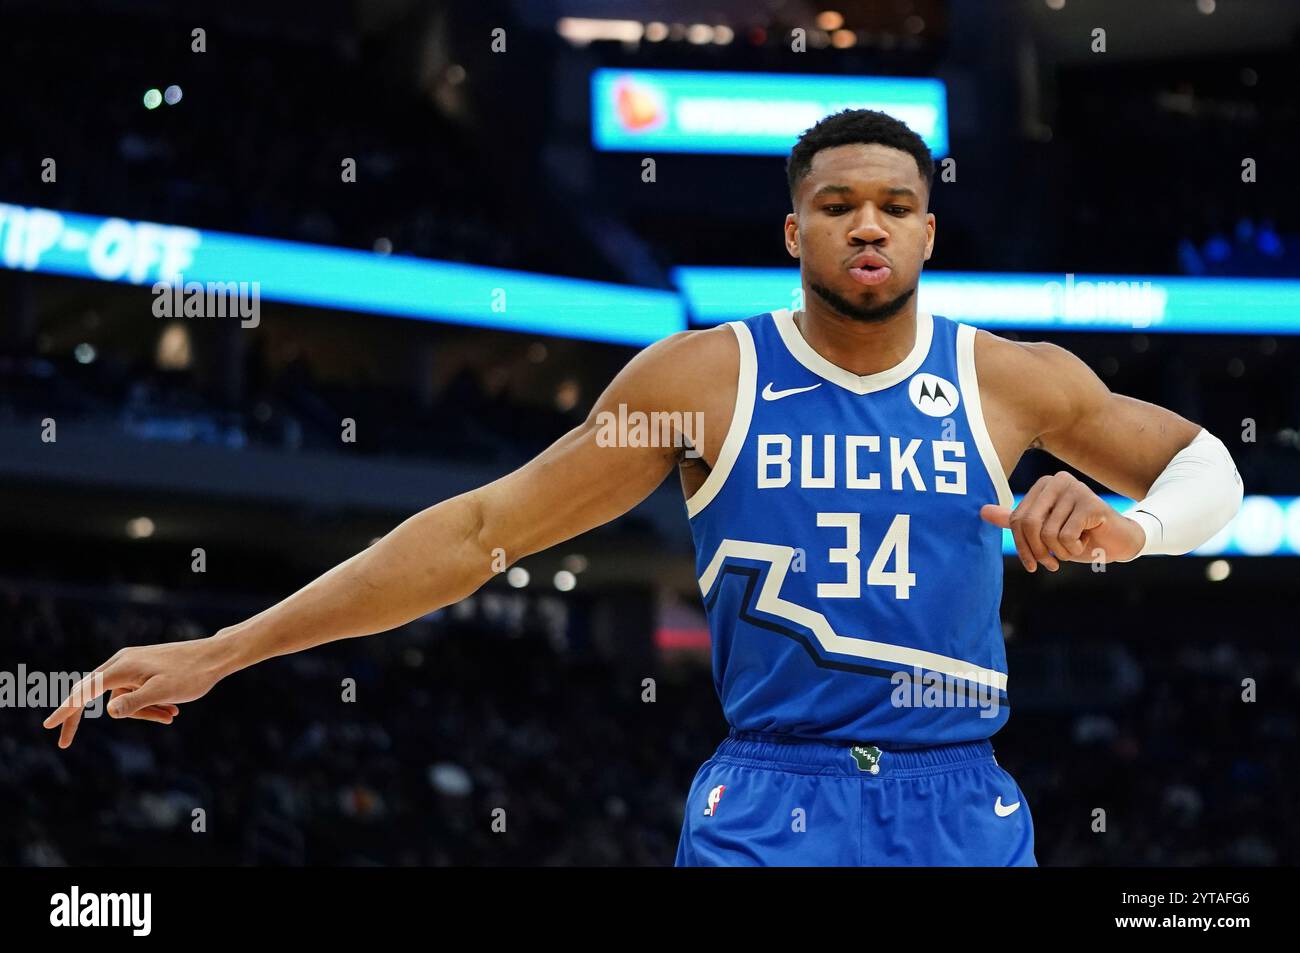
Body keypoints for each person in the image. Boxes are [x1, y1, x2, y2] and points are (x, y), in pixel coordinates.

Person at [44, 109, 1243, 866]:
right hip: (775, 794)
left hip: (962, 798)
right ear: (792, 231)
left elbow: (1211, 470)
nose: (865, 227)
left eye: (894, 206)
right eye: (837, 206)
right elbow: (478, 531)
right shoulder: (708, 378)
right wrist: (222, 649)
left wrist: (1128, 529)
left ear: (929, 232)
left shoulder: (1013, 381)